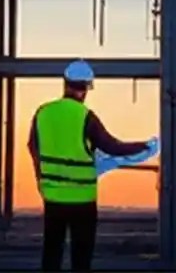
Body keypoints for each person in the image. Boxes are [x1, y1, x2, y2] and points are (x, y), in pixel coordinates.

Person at [28, 59, 151, 271]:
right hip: (82, 199)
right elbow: (112, 146)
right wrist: (144, 147)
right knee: (81, 257)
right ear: (86, 88)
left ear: (65, 82)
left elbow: (33, 146)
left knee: (51, 254)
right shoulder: (86, 117)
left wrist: (41, 178)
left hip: (53, 198)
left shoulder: (43, 113)